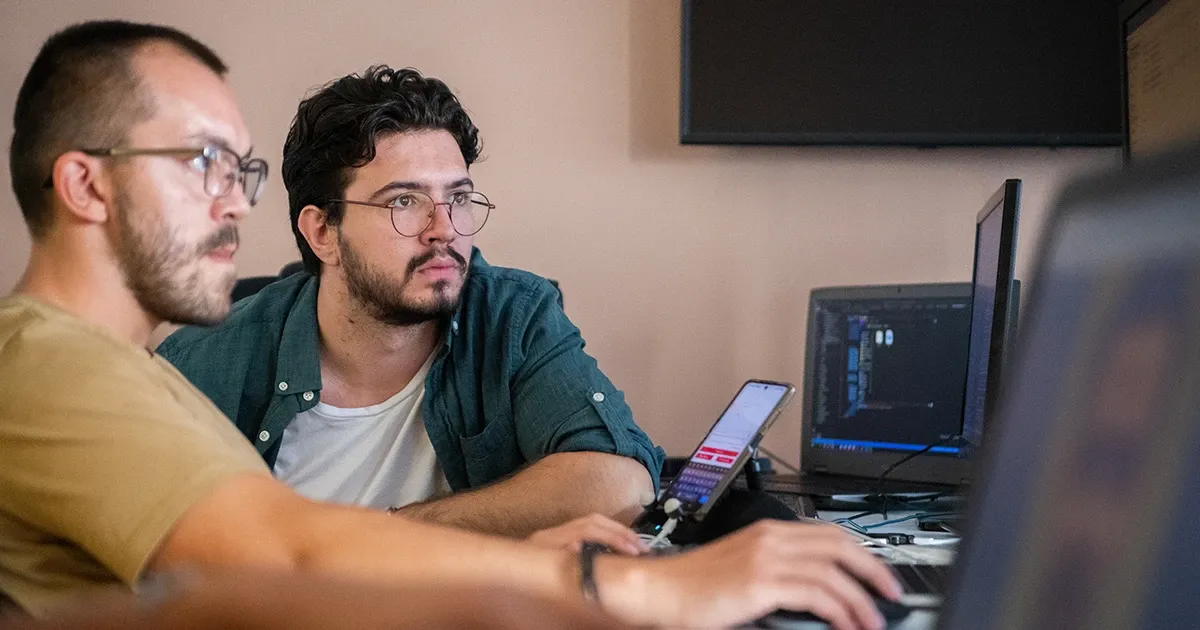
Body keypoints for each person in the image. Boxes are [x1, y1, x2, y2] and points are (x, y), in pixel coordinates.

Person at [0, 20, 900, 630]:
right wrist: (616, 586)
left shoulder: (134, 372)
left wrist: (497, 574)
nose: (235, 204)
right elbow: (284, 556)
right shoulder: (47, 363)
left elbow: (232, 584)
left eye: (241, 169)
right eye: (203, 162)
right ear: (87, 184)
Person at [157, 66, 661, 533]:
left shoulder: (511, 316)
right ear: (322, 232)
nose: (444, 230)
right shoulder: (205, 363)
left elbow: (621, 485)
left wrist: (394, 533)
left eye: (458, 199)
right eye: (404, 202)